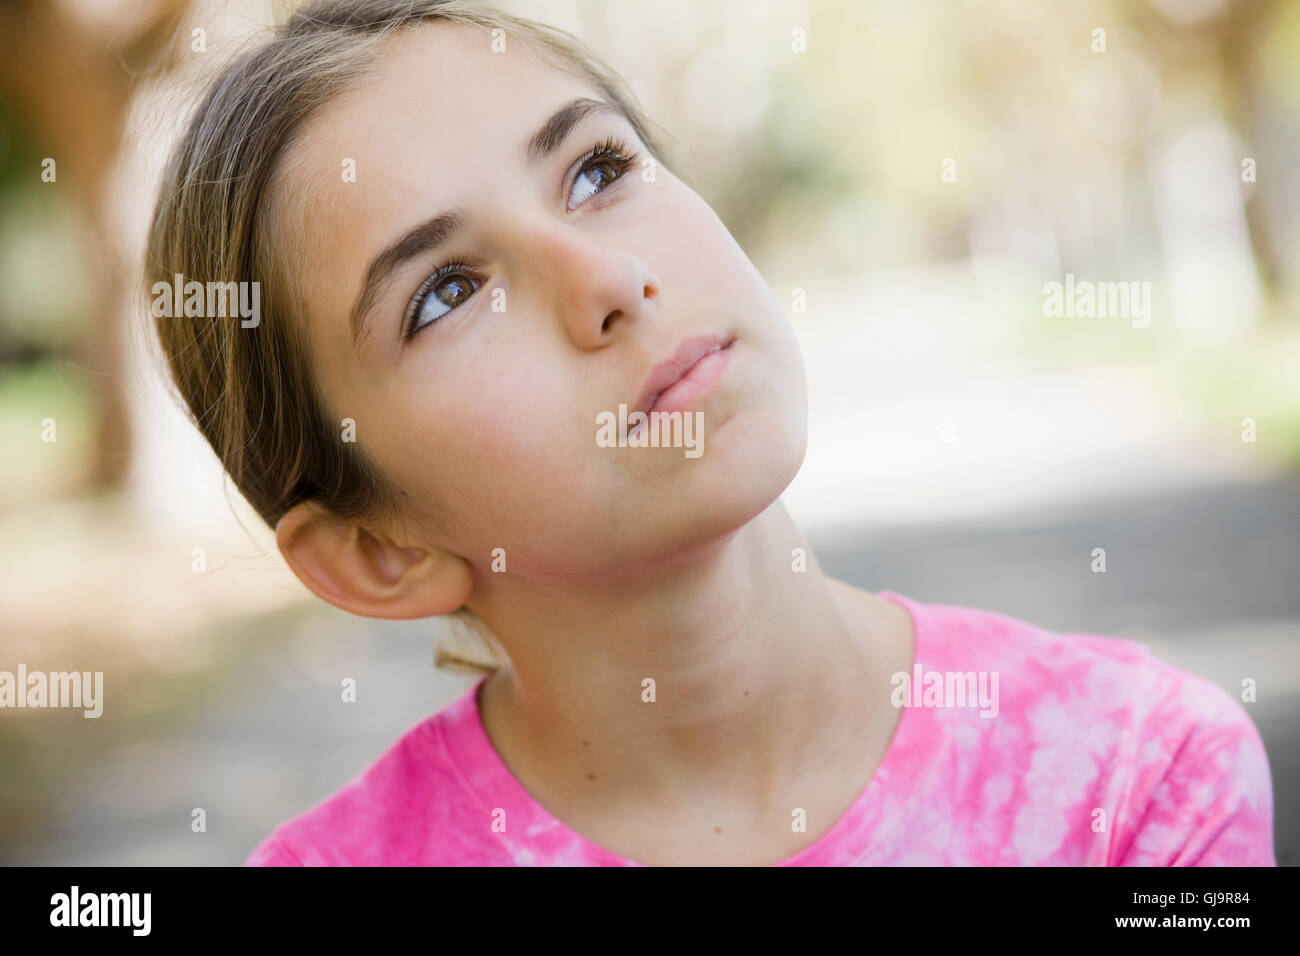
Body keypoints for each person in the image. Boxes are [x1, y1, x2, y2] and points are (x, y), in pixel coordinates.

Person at [143, 0, 1275, 866]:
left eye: (597, 169)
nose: (608, 279)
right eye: (446, 292)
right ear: (375, 551)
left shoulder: (1141, 777)